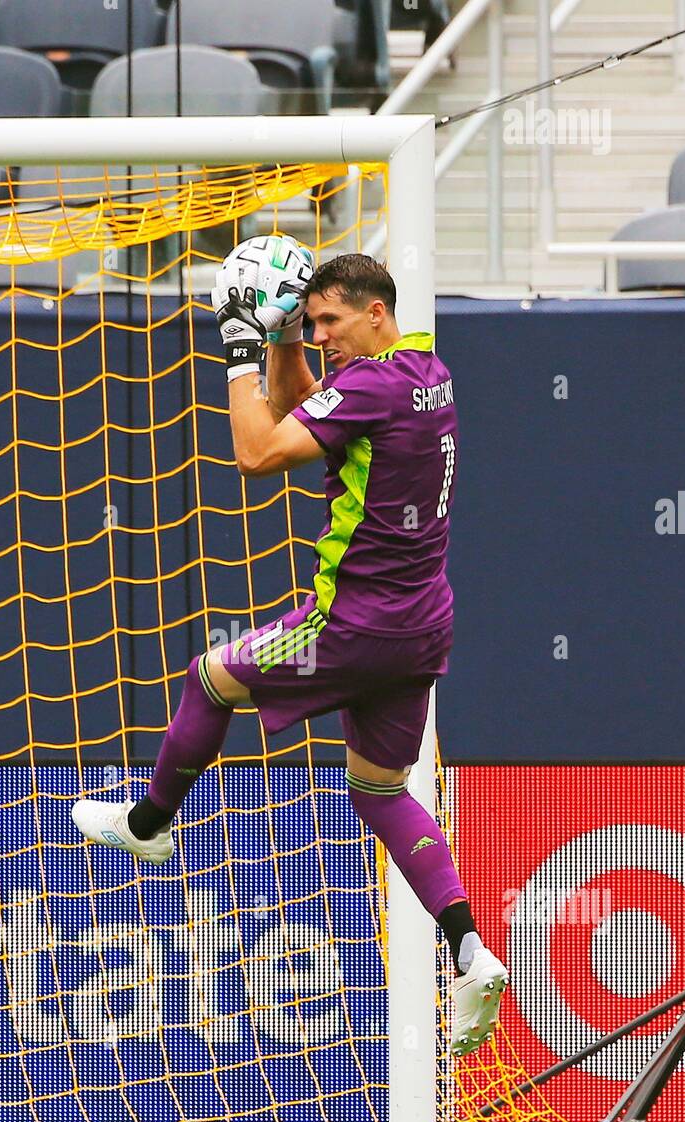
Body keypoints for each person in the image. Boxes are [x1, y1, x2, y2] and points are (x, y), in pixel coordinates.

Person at [72, 238, 507, 1057]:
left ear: (378, 313)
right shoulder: (425, 374)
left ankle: (149, 821)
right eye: (313, 323)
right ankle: (469, 949)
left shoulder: (373, 383)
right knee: (380, 792)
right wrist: (284, 339)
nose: (322, 336)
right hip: (420, 629)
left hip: (350, 626)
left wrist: (240, 347)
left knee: (209, 678)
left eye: (332, 321)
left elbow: (257, 450)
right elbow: (312, 402)